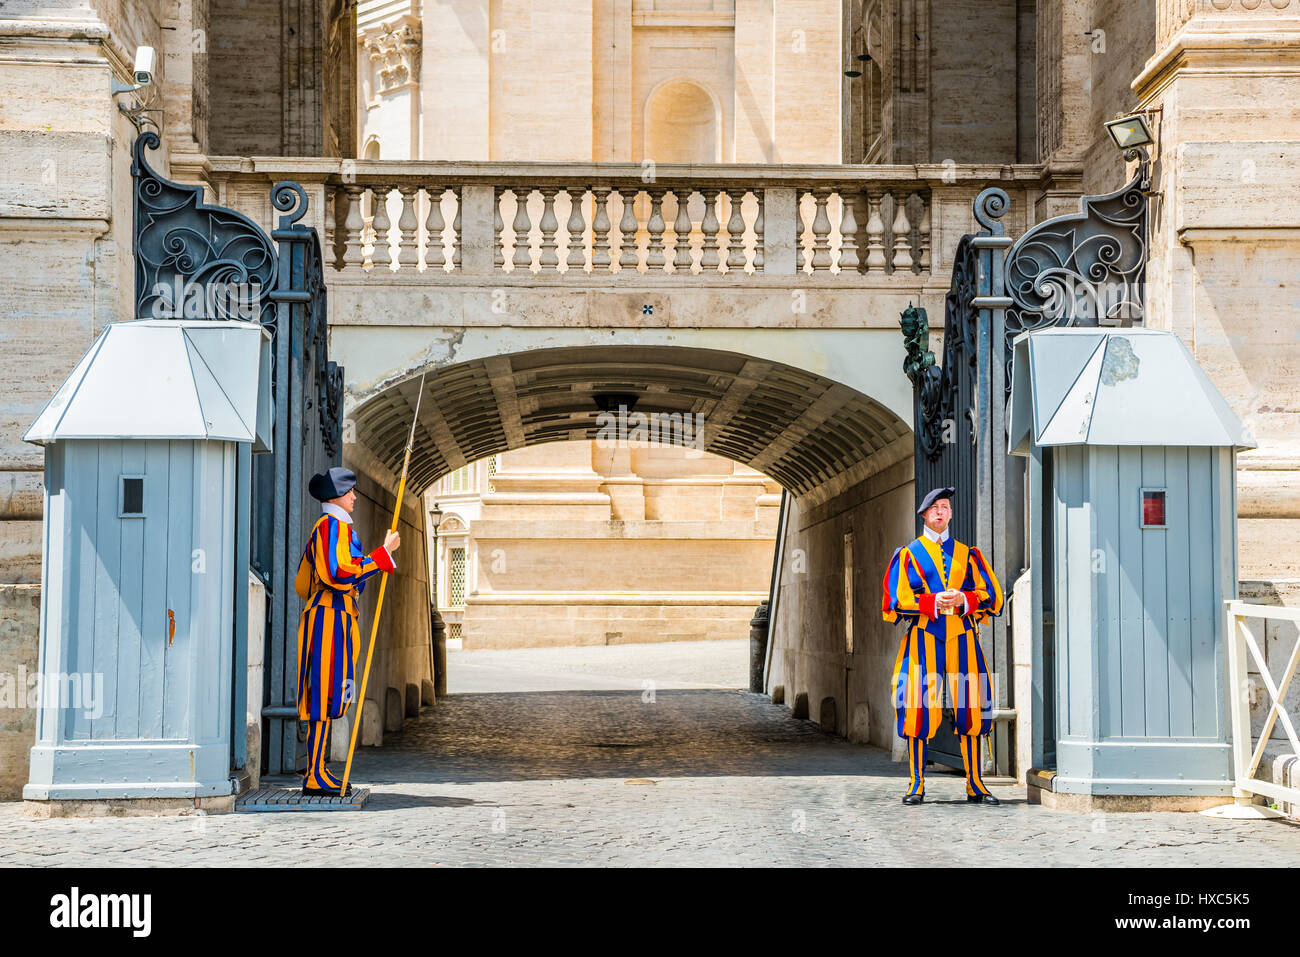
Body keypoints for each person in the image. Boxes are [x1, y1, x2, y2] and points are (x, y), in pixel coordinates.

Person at [880, 486, 1004, 806]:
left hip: (963, 636)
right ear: (924, 515)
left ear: (950, 514)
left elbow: (993, 595)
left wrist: (965, 598)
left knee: (973, 705)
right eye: (934, 507)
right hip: (924, 637)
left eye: (945, 507)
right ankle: (917, 784)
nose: (940, 512)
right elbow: (894, 601)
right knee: (918, 706)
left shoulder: (968, 553)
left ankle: (976, 784)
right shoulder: (907, 555)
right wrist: (933, 601)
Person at [294, 467, 400, 796]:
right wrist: (382, 556)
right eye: (350, 491)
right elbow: (339, 573)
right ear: (337, 495)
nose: (355, 496)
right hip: (328, 617)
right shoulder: (330, 526)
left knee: (331, 693)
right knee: (322, 694)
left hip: (338, 616)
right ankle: (314, 774)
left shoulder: (339, 529)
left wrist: (375, 560)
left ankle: (318, 770)